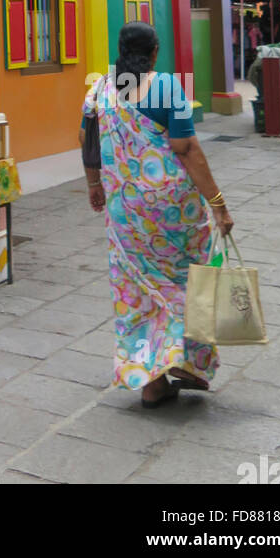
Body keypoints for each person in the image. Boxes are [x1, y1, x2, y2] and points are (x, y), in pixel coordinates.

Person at [79, 21, 234, 410]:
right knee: (191, 279)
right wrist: (218, 204)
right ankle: (186, 361)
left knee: (136, 292)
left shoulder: (100, 88)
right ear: (154, 52)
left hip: (125, 211)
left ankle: (150, 382)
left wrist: (93, 185)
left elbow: (86, 139)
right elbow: (186, 149)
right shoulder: (166, 86)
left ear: (120, 49)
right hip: (172, 208)